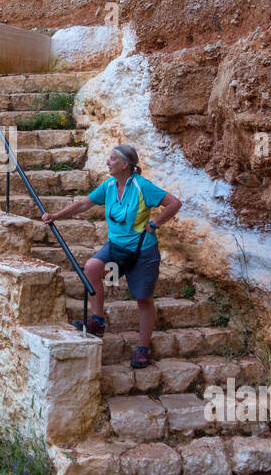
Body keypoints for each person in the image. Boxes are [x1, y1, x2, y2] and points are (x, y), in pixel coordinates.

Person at [41, 144, 181, 369]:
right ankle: (97, 321)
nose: (108, 162)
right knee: (92, 268)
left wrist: (154, 224)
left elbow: (174, 203)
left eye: (112, 159)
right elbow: (84, 203)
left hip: (142, 251)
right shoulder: (108, 186)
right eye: (109, 158)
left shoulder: (142, 186)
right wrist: (56, 215)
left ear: (125, 164)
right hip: (115, 247)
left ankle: (143, 349)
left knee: (143, 299)